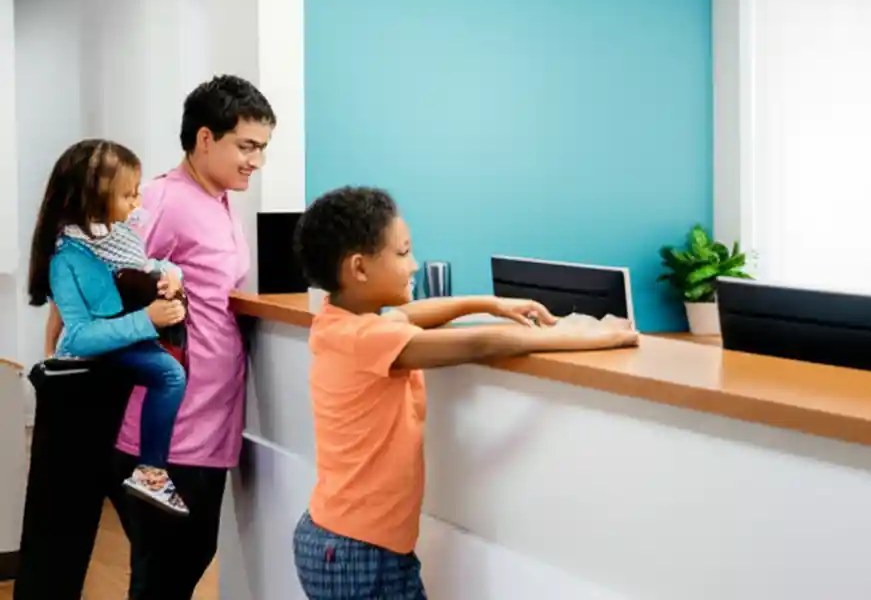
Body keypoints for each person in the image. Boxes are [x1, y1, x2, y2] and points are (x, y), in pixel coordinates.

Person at [290, 186, 639, 599]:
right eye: (403, 253)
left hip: (344, 539)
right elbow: (480, 345)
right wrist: (590, 336)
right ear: (360, 269)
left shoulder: (341, 323)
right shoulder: (367, 338)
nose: (414, 263)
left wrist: (491, 303)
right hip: (360, 552)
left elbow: (407, 314)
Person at [108, 75, 275, 598]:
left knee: (186, 559)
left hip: (206, 429)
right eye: (246, 146)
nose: (256, 161)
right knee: (164, 575)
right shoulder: (163, 198)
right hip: (167, 432)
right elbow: (103, 281)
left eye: (262, 149)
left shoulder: (218, 200)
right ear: (206, 139)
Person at [27, 139, 191, 516]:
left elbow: (149, 264)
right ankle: (151, 471)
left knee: (169, 373)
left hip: (124, 340)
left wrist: (171, 276)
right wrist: (146, 319)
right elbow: (79, 335)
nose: (137, 204)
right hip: (100, 351)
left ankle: (150, 471)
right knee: (169, 374)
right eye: (128, 195)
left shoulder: (115, 237)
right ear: (93, 196)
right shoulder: (68, 257)